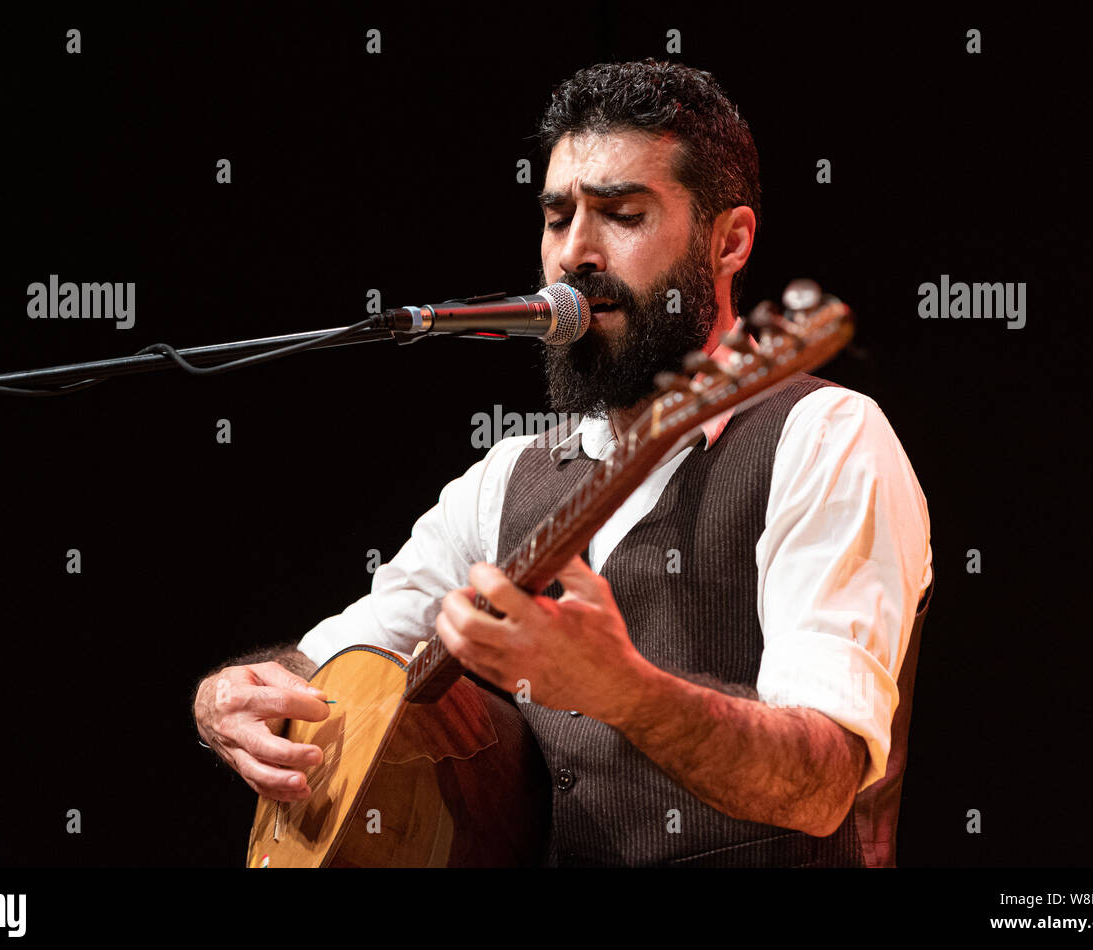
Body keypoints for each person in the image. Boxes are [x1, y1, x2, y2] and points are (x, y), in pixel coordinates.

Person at [193, 59, 933, 867]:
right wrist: (227, 698)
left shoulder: (825, 437)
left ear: (731, 242)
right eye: (556, 217)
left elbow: (823, 785)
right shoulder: (509, 478)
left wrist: (625, 690)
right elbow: (328, 667)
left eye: (621, 213)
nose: (575, 252)